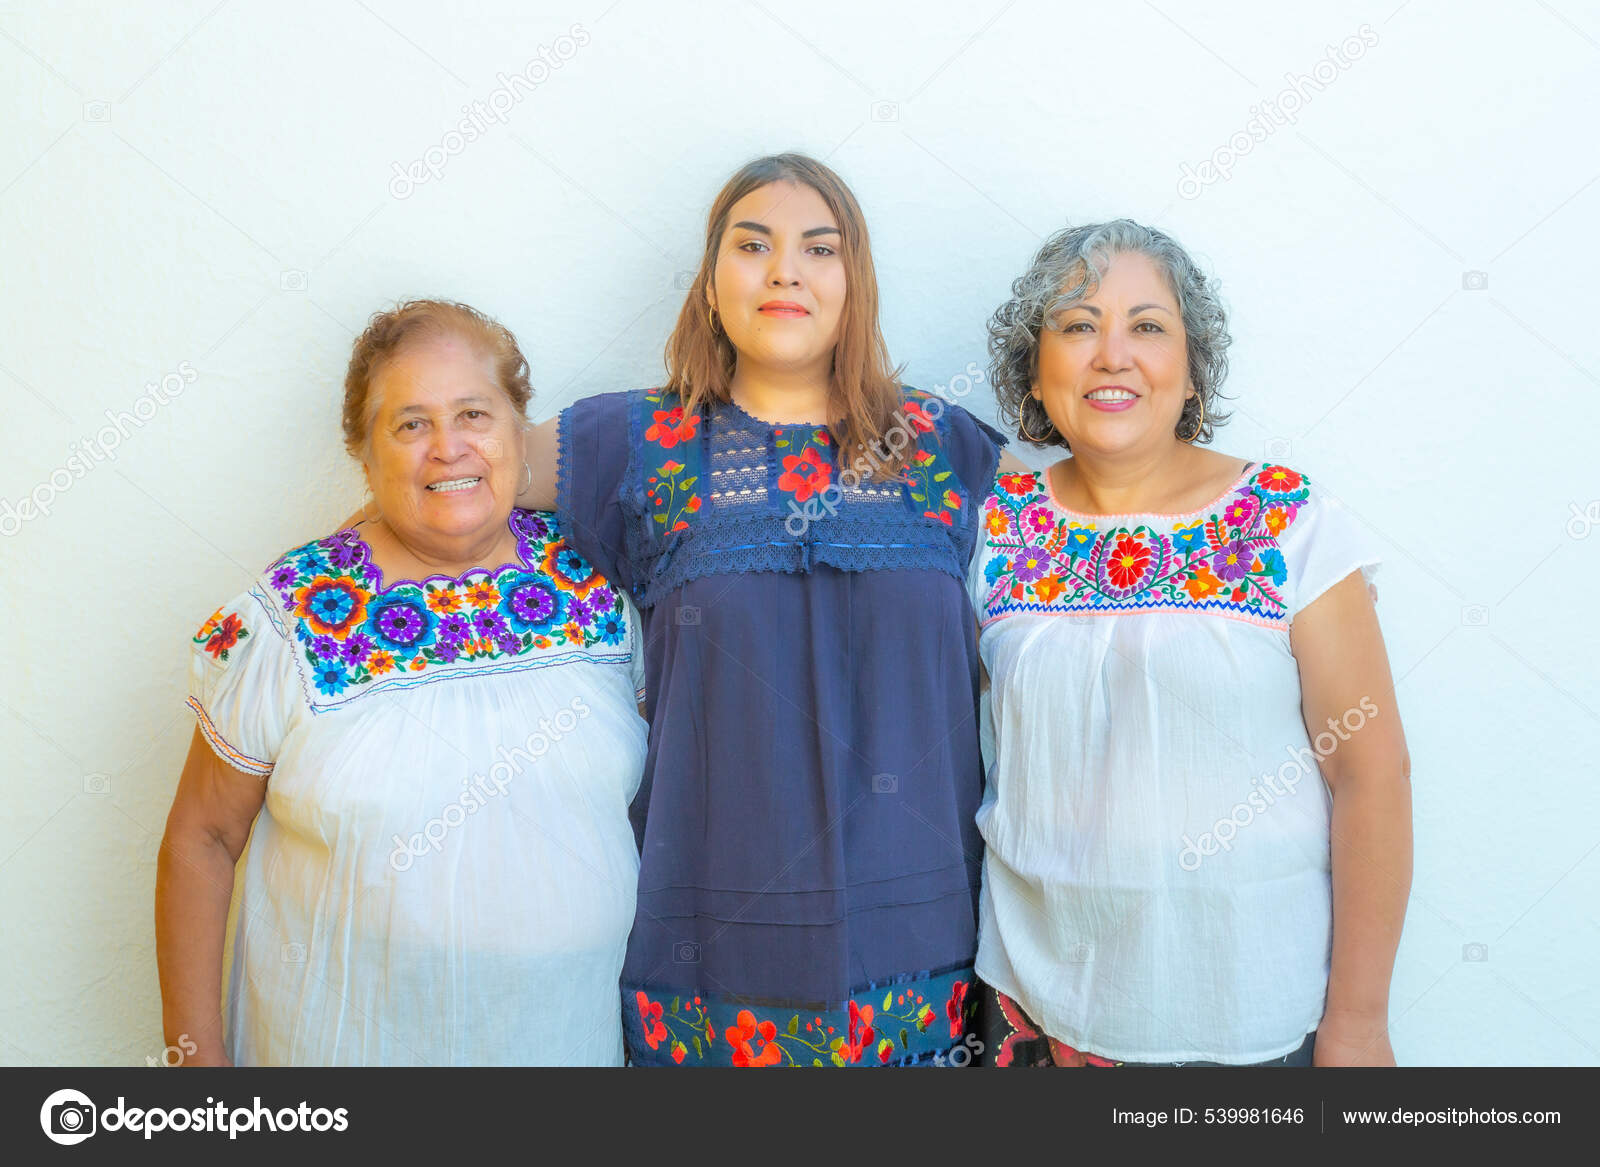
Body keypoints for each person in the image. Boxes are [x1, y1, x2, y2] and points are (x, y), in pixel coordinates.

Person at [520, 153, 1028, 1066]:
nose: (785, 269)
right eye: (752, 245)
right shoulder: (630, 441)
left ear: (854, 282)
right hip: (707, 949)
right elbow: (450, 476)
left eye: (818, 248)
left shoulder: (949, 448)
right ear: (711, 286)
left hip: (926, 949)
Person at [156, 300, 647, 1065]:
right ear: (363, 450)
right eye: (410, 424)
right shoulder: (293, 617)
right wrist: (194, 1066)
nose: (448, 448)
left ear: (522, 429)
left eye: (474, 413)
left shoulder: (603, 586)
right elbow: (203, 838)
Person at [969, 220, 1412, 1067]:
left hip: (1248, 1029)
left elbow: (1373, 773)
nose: (1112, 354)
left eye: (1147, 326)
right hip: (1037, 1020)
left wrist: (1359, 1023)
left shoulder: (1287, 524)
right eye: (1075, 324)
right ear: (1035, 367)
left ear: (1191, 367)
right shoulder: (993, 532)